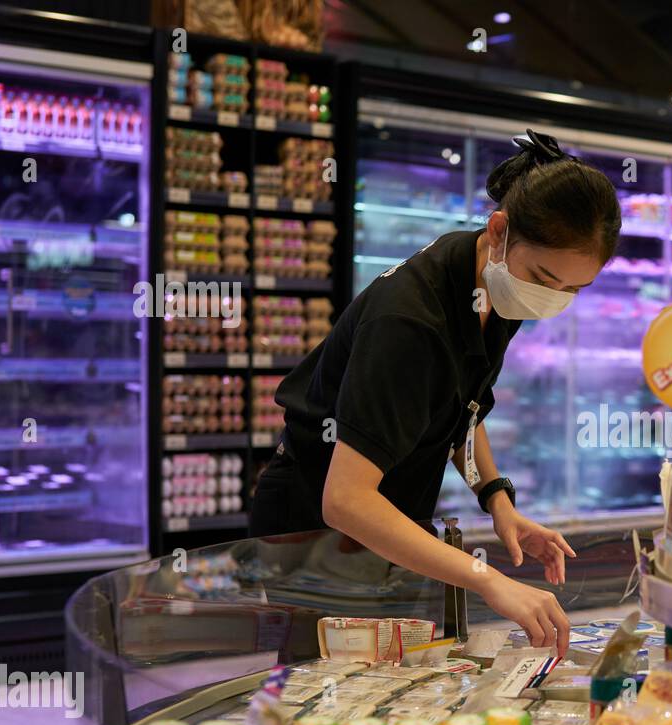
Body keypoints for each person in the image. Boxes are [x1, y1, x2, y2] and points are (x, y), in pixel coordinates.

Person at [250, 129, 622, 654]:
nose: (551, 298)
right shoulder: (409, 322)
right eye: (543, 278)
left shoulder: (494, 285)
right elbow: (345, 501)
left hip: (392, 525)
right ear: (498, 231)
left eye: (571, 290)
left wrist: (496, 500)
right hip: (317, 531)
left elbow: (462, 414)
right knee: (330, 705)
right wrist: (487, 577)